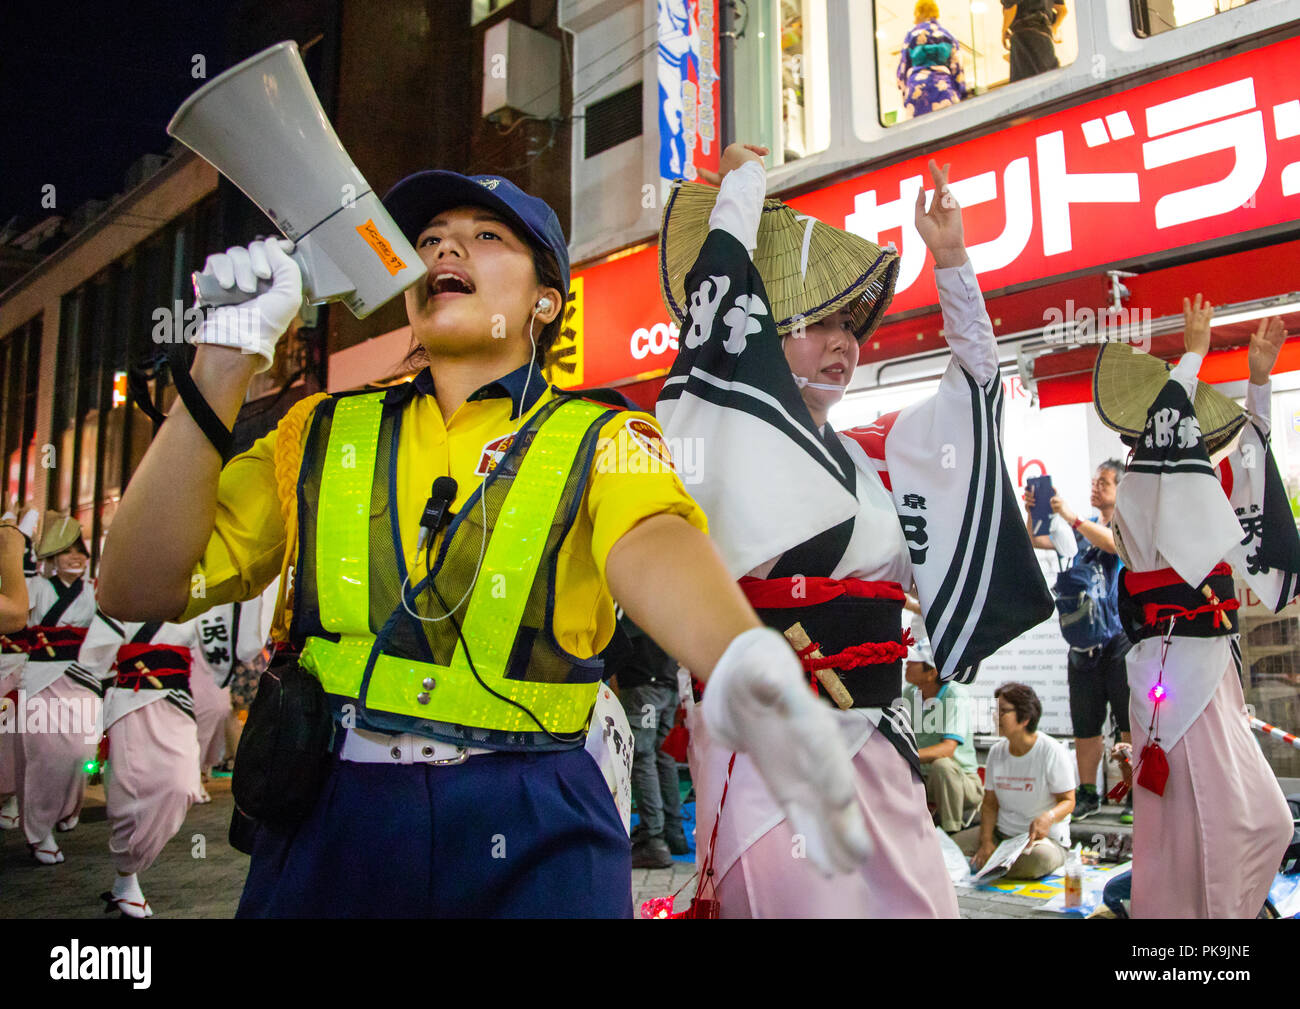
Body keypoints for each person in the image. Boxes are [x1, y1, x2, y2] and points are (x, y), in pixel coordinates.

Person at [99, 169, 871, 917]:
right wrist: (222, 365)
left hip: (538, 818)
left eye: (485, 235)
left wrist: (740, 658)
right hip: (330, 819)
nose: (445, 250)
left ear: (545, 299)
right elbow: (134, 588)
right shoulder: (316, 431)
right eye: (429, 238)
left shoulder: (609, 432)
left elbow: (651, 539)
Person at [657, 145, 1053, 916]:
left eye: (852, 324)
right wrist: (741, 190)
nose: (845, 342)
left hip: (878, 737)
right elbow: (718, 304)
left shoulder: (879, 455)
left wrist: (952, 260)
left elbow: (976, 393)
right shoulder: (722, 442)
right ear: (761, 331)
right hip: (769, 751)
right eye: (818, 322)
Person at [1095, 295, 1298, 918]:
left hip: (1212, 669)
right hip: (1176, 671)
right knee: (1215, 830)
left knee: (1259, 823)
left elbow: (1251, 467)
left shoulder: (1196, 494)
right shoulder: (1140, 488)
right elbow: (1182, 470)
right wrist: (1192, 357)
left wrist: (1258, 384)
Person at [73, 610, 204, 917]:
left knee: (181, 787)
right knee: (128, 791)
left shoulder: (196, 603)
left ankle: (128, 868)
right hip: (129, 704)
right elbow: (92, 660)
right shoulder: (122, 602)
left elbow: (222, 656)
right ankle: (126, 876)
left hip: (177, 703)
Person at [1024, 462, 1131, 822]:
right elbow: (1038, 540)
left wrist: (1070, 518)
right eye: (1095, 481)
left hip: (1118, 640)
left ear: (1121, 488)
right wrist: (1033, 514)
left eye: (1105, 483)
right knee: (1085, 724)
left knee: (1128, 721)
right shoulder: (1080, 528)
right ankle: (1088, 794)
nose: (1097, 487)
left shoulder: (1123, 527)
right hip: (1080, 645)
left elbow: (1114, 546)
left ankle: (1134, 793)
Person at [14, 515, 98, 864]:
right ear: (52, 558)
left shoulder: (95, 590)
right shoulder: (35, 587)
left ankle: (65, 808)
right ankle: (39, 830)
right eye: (66, 552)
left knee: (81, 755)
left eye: (80, 551)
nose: (75, 557)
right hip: (40, 678)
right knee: (45, 758)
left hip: (81, 678)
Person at [604, 612, 687, 868]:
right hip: (667, 679)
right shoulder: (660, 591)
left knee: (642, 757)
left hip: (643, 683)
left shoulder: (625, 593)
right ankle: (673, 833)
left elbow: (612, 637)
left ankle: (654, 841)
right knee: (663, 757)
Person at [973, 682, 1076, 879]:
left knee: (1037, 861)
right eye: (996, 710)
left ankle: (993, 863)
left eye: (1003, 711)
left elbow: (1068, 801)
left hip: (1043, 841)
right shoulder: (997, 752)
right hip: (1002, 835)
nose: (996, 717)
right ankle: (994, 859)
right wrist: (986, 840)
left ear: (1025, 718)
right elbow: (989, 804)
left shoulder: (1051, 751)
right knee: (943, 848)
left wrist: (1049, 816)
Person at [903, 624, 983, 833]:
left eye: (915, 662)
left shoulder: (955, 695)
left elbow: (947, 749)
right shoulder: (909, 693)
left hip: (961, 782)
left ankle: (952, 831)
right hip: (926, 778)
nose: (907, 664)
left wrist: (908, 755)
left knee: (942, 765)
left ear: (932, 673)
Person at [0, 516, 32, 829]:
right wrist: (11, 548)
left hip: (18, 666)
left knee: (11, 736)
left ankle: (12, 797)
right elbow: (14, 613)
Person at [896, 1, 966, 120]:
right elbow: (958, 67)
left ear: (918, 13)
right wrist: (960, 92)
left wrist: (905, 92)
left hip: (916, 87)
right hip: (943, 87)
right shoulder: (948, 35)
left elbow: (902, 69)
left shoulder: (911, 34)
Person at [1001, 1, 1067, 82]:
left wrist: (1004, 31)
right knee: (1049, 79)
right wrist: (1053, 30)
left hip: (1024, 34)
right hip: (1044, 36)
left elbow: (1011, 8)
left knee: (1024, 85)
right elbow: (1062, 10)